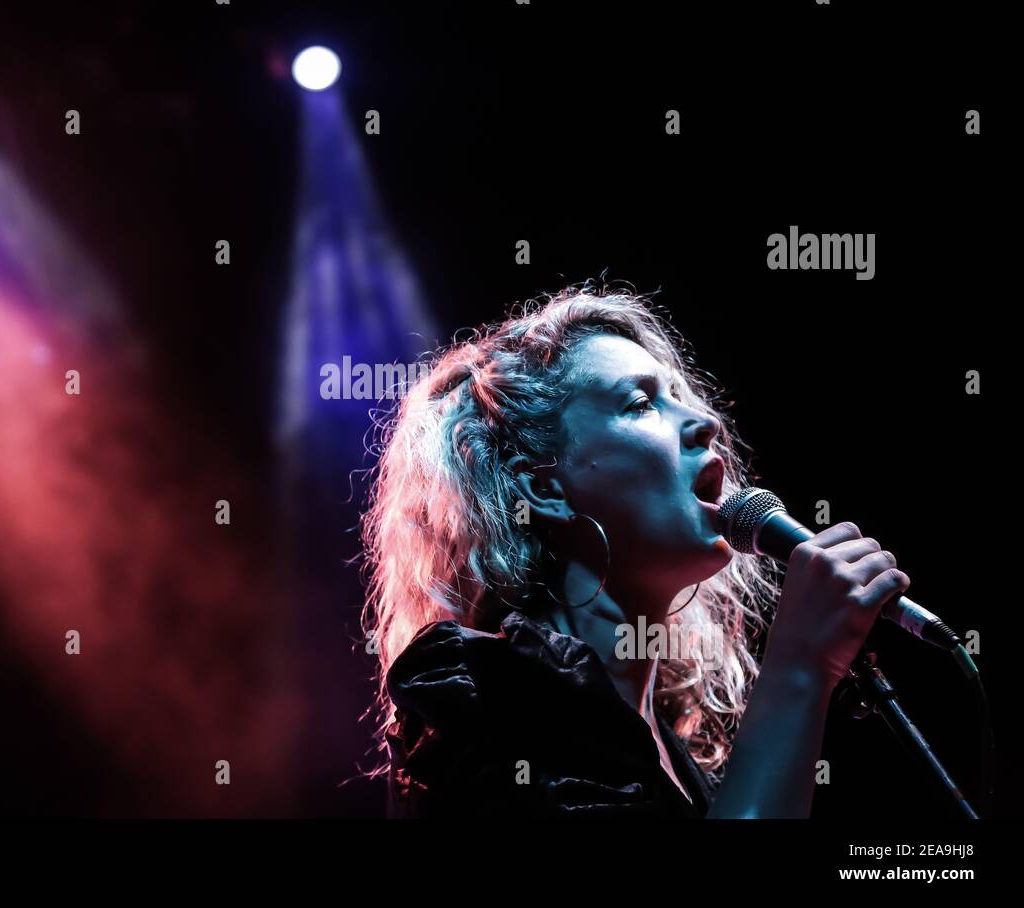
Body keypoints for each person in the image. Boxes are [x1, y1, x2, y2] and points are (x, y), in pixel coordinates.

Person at [357, 281, 910, 817]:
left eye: (679, 396)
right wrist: (800, 669)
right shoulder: (495, 706)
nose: (706, 423)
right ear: (542, 488)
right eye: (641, 403)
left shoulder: (668, 751)